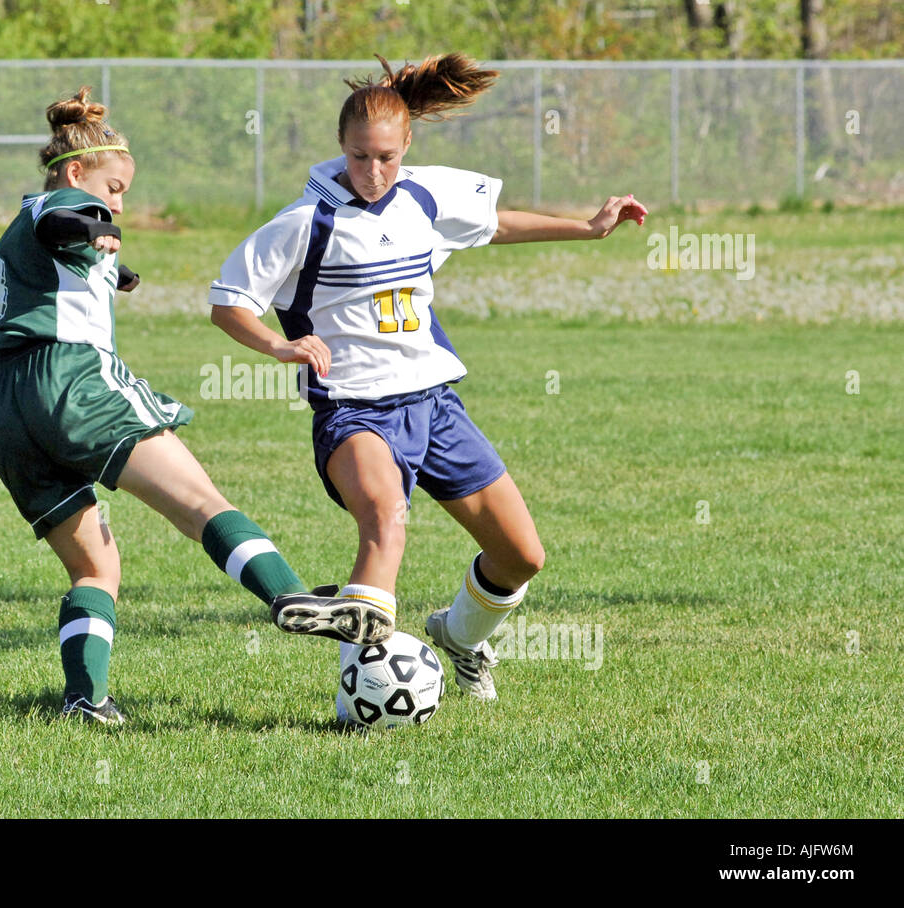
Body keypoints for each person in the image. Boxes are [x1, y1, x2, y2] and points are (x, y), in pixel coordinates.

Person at [209, 54, 647, 709]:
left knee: (522, 557)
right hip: (354, 411)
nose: (374, 172)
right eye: (361, 157)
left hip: (436, 405)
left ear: (406, 144)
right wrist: (279, 343)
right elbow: (229, 301)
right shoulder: (306, 223)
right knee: (386, 516)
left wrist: (587, 227)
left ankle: (458, 635)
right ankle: (359, 679)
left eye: (386, 156)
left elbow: (495, 225)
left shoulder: (423, 195)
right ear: (341, 148)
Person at [0, 87, 395, 726]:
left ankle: (84, 701)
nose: (118, 202)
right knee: (204, 505)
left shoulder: (20, 230)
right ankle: (289, 598)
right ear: (75, 171)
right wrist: (98, 226)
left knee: (96, 564)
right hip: (68, 382)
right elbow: (63, 222)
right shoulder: (62, 203)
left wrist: (113, 270)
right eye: (113, 188)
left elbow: (51, 254)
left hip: (5, 408)